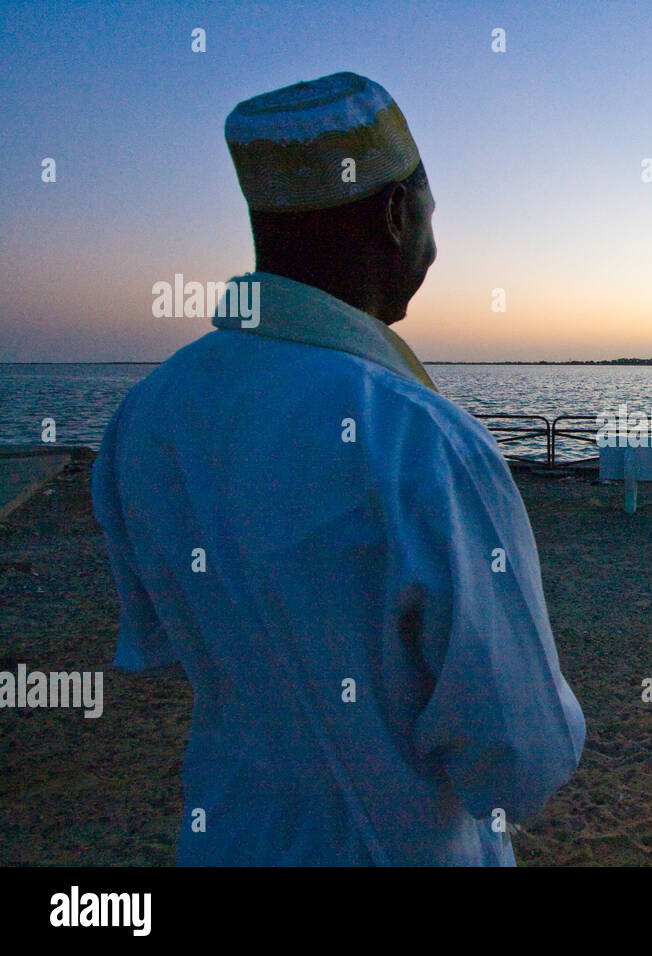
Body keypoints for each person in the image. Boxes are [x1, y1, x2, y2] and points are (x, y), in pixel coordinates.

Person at [91, 72, 585, 865]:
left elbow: (163, 642)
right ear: (396, 214)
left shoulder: (146, 416)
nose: (434, 238)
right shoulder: (419, 437)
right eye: (431, 211)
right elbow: (523, 761)